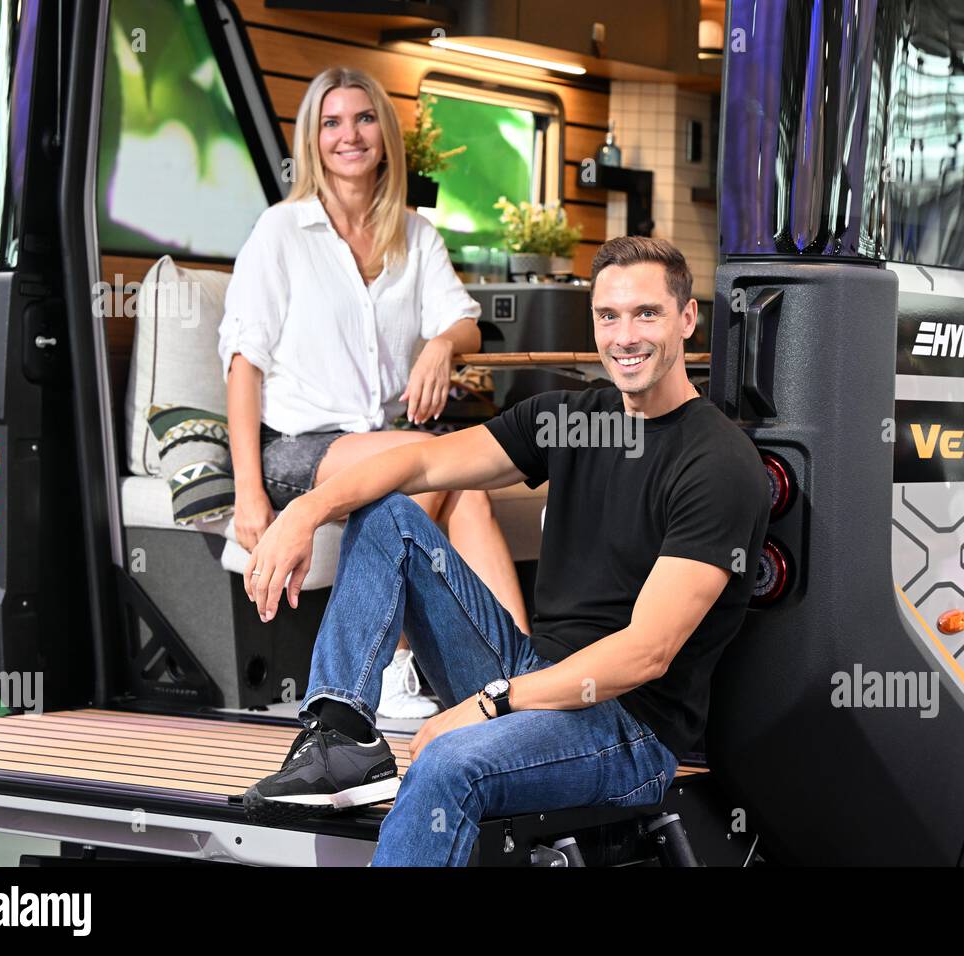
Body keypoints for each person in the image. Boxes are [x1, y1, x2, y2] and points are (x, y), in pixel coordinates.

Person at [241, 236, 771, 866]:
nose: (625, 335)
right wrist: (303, 510)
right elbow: (420, 460)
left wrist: (488, 704)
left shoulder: (716, 463)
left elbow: (644, 654)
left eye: (646, 314)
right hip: (531, 671)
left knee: (448, 762)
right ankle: (341, 736)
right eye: (609, 316)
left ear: (687, 320)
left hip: (627, 728)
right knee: (387, 517)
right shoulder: (573, 419)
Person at [217, 66, 528, 719]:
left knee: (468, 491)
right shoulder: (281, 232)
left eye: (362, 119)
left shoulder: (415, 236)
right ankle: (392, 670)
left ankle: (519, 683)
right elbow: (243, 365)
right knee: (424, 463)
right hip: (299, 449)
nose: (348, 135)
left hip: (381, 442)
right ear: (312, 139)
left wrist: (442, 345)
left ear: (384, 135)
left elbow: (463, 321)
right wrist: (249, 492)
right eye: (331, 122)